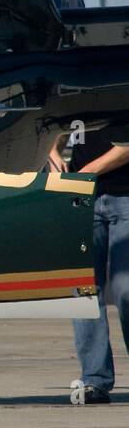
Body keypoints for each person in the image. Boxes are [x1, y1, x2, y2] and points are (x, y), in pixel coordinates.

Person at [49, 129, 129, 404]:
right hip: (82, 198)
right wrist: (53, 152)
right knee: (83, 290)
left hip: (125, 196)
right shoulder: (73, 90)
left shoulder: (113, 88)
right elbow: (58, 128)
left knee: (125, 288)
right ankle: (95, 379)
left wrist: (87, 171)